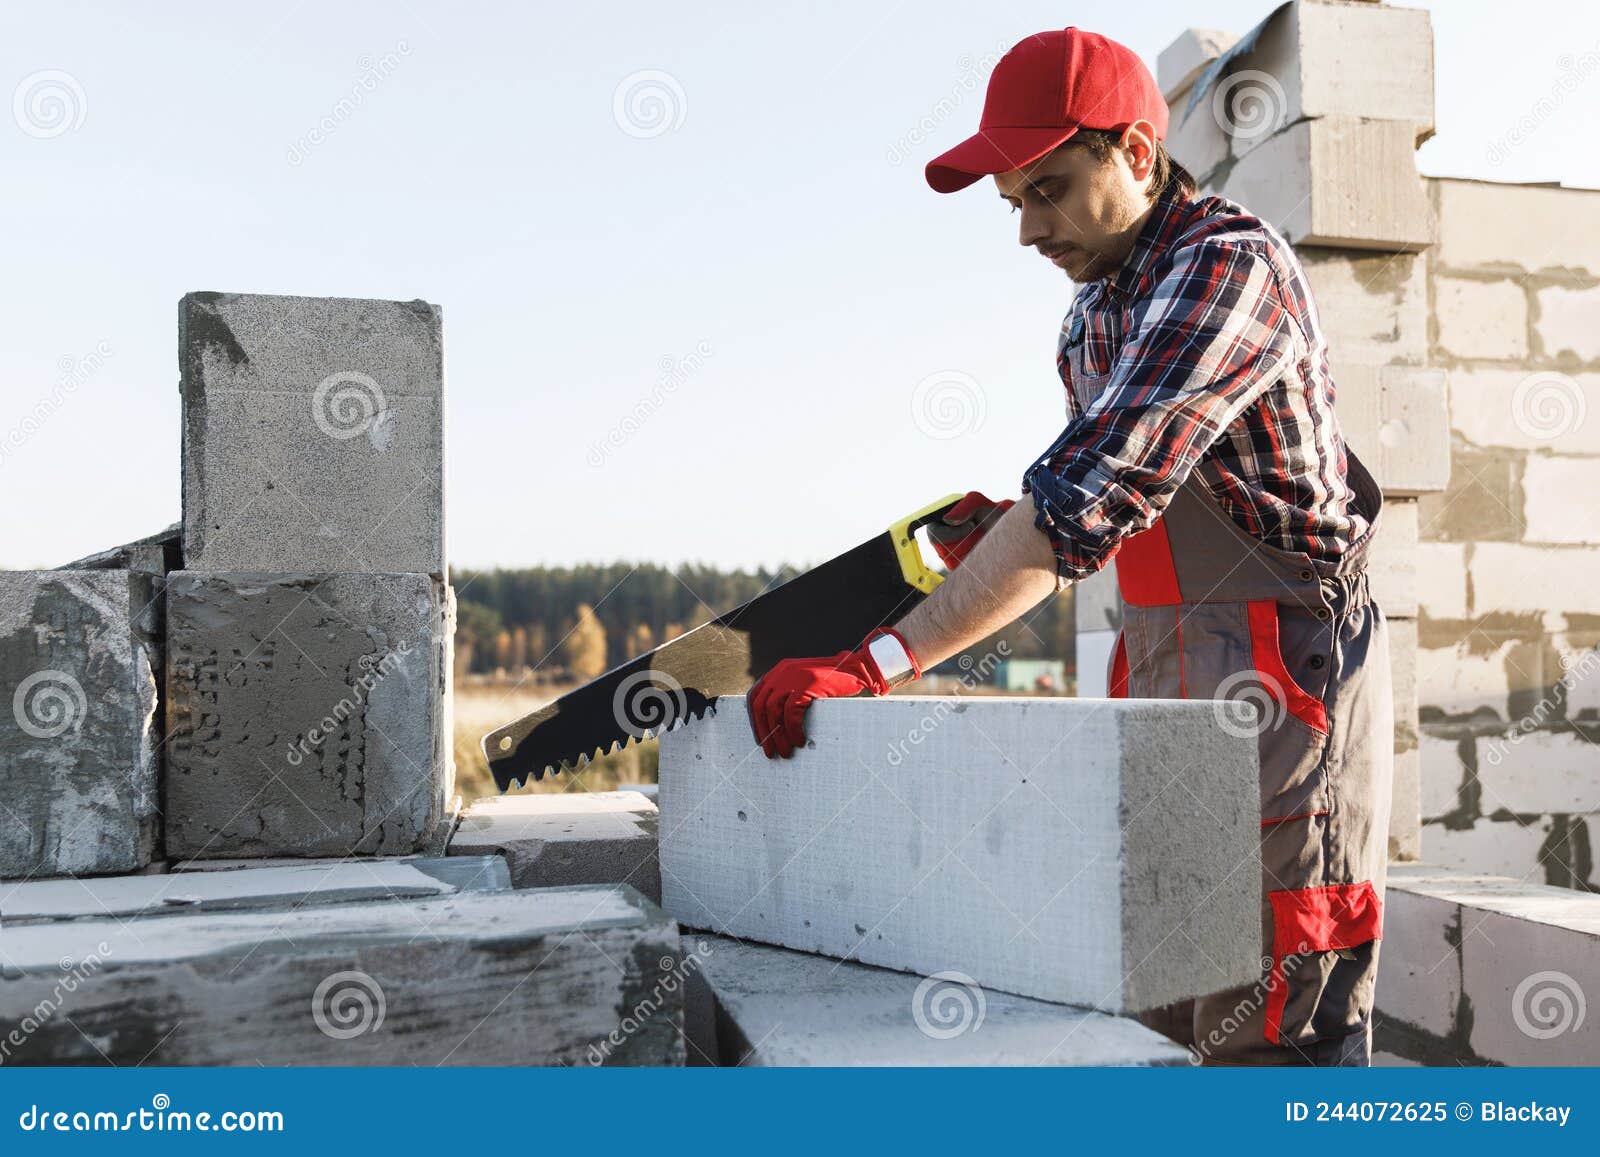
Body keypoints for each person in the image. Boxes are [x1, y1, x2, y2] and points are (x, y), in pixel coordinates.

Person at [744, 26, 1393, 1067]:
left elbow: (1088, 497)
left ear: (1137, 153)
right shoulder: (1094, 312)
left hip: (1287, 674)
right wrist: (996, 529)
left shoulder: (1227, 269)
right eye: (1013, 202)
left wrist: (879, 660)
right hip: (1171, 673)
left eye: (1047, 190)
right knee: (1173, 1002)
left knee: (1277, 1012)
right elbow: (1099, 501)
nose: (1025, 231)